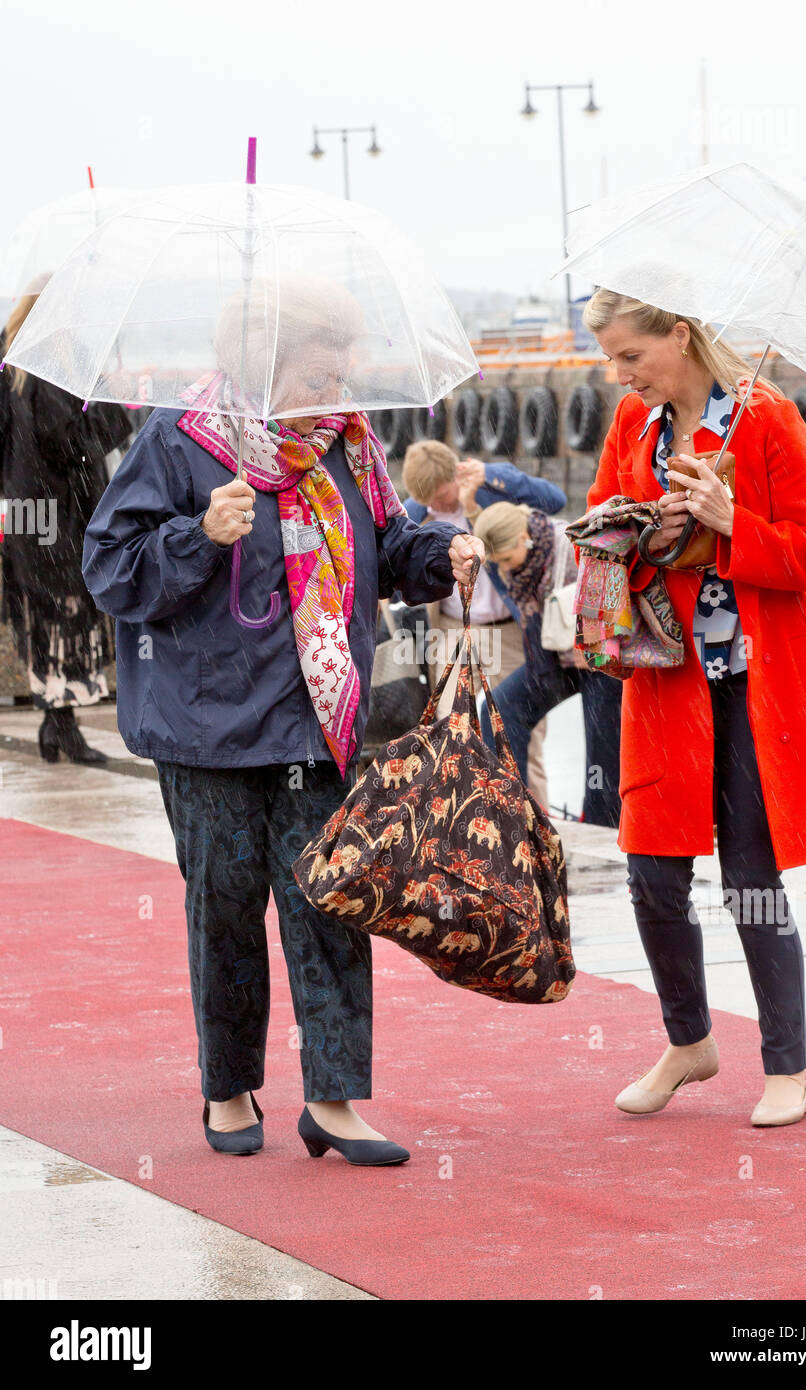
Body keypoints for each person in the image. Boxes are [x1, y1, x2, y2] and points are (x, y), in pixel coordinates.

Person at [83, 277, 484, 1165]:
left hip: (317, 722)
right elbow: (111, 571)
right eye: (314, 376)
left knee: (330, 903)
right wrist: (199, 534)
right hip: (207, 729)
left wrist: (440, 550)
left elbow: (391, 540)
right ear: (255, 365)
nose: (332, 393)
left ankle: (333, 1100)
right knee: (225, 908)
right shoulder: (178, 441)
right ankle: (228, 1089)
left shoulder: (347, 444)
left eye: (339, 373)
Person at [583, 288, 806, 1126]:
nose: (619, 376)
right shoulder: (631, 425)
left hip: (756, 687)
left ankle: (786, 1066)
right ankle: (689, 1043)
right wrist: (636, 523)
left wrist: (728, 522)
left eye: (630, 357)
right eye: (611, 360)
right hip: (664, 679)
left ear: (677, 337)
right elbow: (606, 523)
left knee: (751, 880)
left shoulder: (767, 418)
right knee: (651, 873)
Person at [0, 282, 132, 762]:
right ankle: (63, 724)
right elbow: (69, 441)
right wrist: (109, 405)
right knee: (70, 611)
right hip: (63, 514)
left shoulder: (11, 361)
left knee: (44, 613)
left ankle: (57, 723)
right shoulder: (56, 366)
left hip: (28, 513)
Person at [402, 438, 567, 809]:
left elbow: (555, 500)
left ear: (456, 474)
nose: (441, 507)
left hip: (509, 629)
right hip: (451, 631)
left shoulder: (492, 485)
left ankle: (532, 822)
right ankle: (466, 820)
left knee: (520, 730)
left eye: (445, 498)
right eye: (433, 504)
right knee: (451, 731)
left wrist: (491, 477)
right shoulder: (413, 512)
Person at [473, 500, 622, 827]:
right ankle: (510, 809)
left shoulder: (569, 545)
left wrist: (593, 644)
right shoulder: (516, 560)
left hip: (596, 656)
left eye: (506, 561)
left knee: (601, 753)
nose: (503, 571)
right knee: (499, 709)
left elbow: (605, 588)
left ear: (523, 537)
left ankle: (603, 826)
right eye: (496, 565)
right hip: (553, 656)